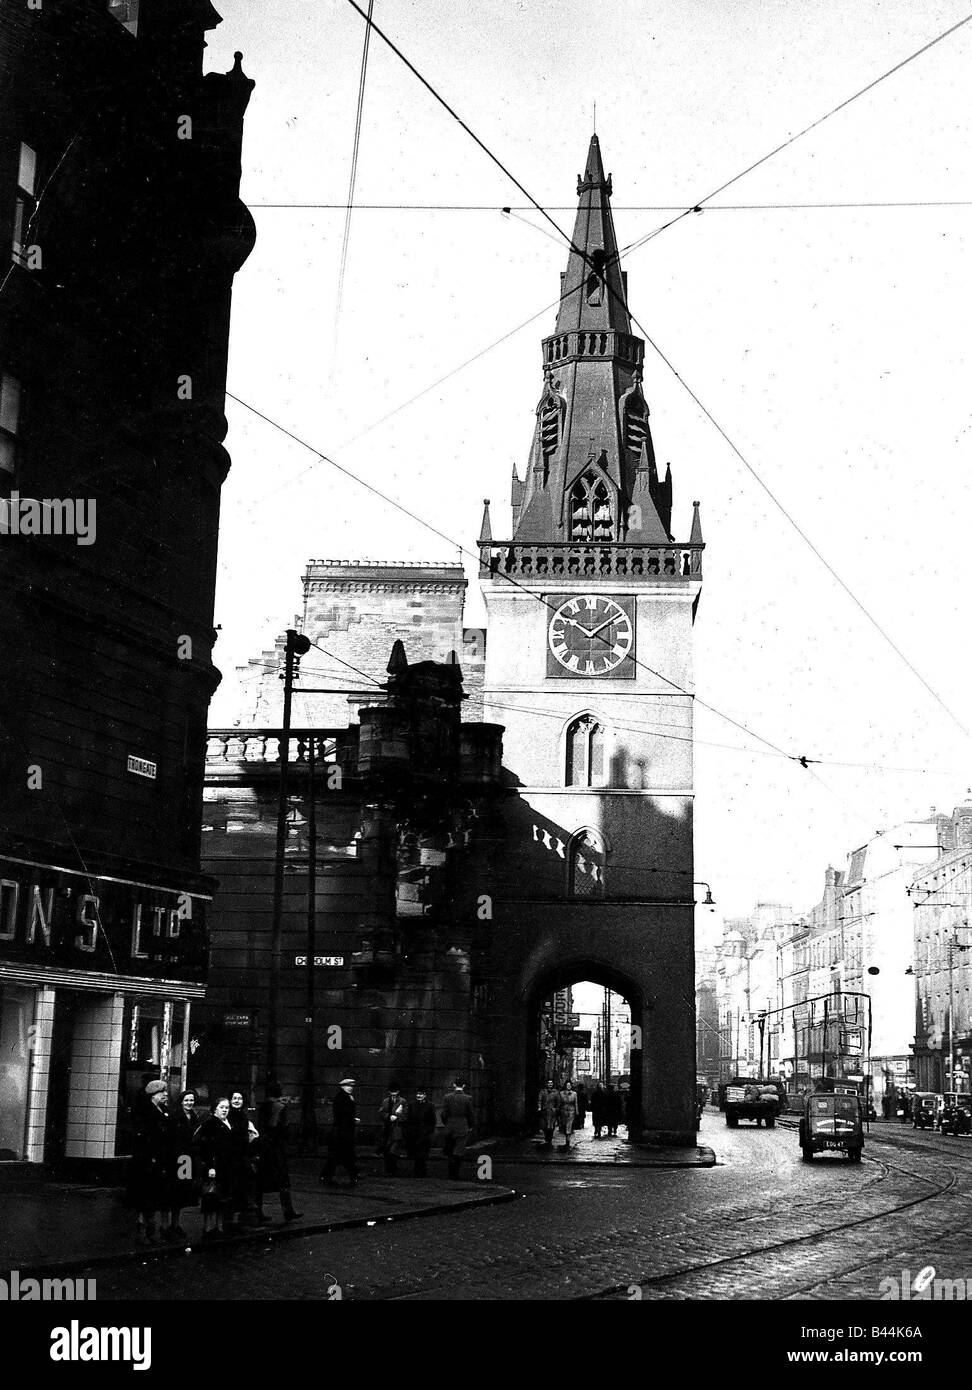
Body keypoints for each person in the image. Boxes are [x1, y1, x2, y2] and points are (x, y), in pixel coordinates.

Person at [127, 1079, 170, 1244]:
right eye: (162, 1092)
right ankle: (142, 1230)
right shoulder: (144, 1112)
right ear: (153, 1095)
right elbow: (144, 1137)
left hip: (159, 1161)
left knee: (154, 1196)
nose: (165, 1095)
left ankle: (151, 1230)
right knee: (143, 1196)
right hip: (145, 1162)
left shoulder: (164, 1110)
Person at [255, 1082, 301, 1223]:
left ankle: (258, 1212)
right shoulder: (280, 1107)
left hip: (264, 1148)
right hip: (276, 1149)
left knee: (260, 1182)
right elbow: (282, 1128)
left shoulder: (263, 1106)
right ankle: (288, 1211)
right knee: (283, 1181)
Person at [162, 1089, 200, 1241]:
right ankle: (165, 1226)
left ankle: (175, 1224)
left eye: (191, 1100)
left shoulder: (194, 1117)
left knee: (182, 1193)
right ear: (181, 1102)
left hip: (187, 1160)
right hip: (176, 1159)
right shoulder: (175, 1117)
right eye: (186, 1100)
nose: (189, 1103)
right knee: (172, 1192)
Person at [196, 1097, 236, 1239]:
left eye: (226, 1107)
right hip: (214, 1166)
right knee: (211, 1197)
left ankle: (218, 1227)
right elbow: (206, 1147)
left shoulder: (227, 1123)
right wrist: (210, 1166)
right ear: (215, 1109)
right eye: (221, 1107)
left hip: (226, 1166)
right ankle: (208, 1228)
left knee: (222, 1198)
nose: (225, 1110)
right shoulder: (210, 1124)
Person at [226, 1089, 257, 1227]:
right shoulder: (229, 1114)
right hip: (232, 1156)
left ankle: (237, 1219)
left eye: (240, 1098)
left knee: (241, 1186)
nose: (237, 1101)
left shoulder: (244, 1116)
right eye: (234, 1098)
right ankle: (231, 1220)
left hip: (242, 1155)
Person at [321, 1078, 359, 1187]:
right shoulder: (343, 1098)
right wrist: (352, 1120)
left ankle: (327, 1176)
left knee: (339, 1157)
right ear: (342, 1086)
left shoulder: (345, 1097)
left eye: (351, 1086)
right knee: (343, 1156)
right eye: (348, 1086)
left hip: (343, 1131)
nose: (350, 1088)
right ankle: (353, 1176)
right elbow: (343, 1114)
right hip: (342, 1132)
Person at [440, 1077, 475, 1179]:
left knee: (450, 1149)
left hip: (450, 1125)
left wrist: (447, 1123)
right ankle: (456, 1174)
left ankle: (450, 1173)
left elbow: (444, 1114)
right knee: (458, 1150)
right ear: (464, 1086)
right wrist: (471, 1126)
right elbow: (470, 1114)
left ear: (454, 1085)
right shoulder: (468, 1098)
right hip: (462, 1125)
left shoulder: (447, 1097)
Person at [404, 1087, 437, 1177]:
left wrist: (429, 1131)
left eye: (421, 1094)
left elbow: (432, 1121)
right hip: (414, 1133)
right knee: (416, 1153)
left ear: (425, 1095)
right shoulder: (411, 1105)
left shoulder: (430, 1106)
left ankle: (421, 1171)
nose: (418, 1095)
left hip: (425, 1133)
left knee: (422, 1154)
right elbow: (408, 1119)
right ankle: (417, 1171)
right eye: (417, 1093)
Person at [378, 1084, 407, 1176]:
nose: (394, 1094)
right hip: (387, 1129)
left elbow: (406, 1115)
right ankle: (389, 1170)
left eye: (395, 1092)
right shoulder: (385, 1101)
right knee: (387, 1150)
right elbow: (382, 1113)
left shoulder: (402, 1101)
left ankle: (393, 1169)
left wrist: (398, 1117)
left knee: (394, 1150)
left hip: (397, 1128)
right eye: (392, 1092)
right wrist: (388, 1117)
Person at [538, 1080, 560, 1148]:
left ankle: (549, 1138)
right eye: (549, 1083)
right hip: (545, 1111)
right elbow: (540, 1100)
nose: (550, 1084)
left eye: (551, 1083)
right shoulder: (543, 1092)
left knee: (551, 1125)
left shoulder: (555, 1092)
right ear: (546, 1084)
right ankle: (546, 1136)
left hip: (552, 1111)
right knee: (545, 1125)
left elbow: (558, 1101)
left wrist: (556, 1108)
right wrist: (539, 1107)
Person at [558, 1080, 578, 1151]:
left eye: (570, 1085)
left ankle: (568, 1141)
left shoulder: (574, 1094)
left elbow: (576, 1103)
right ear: (565, 1086)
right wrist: (559, 1111)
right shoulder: (561, 1093)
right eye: (567, 1085)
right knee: (564, 1125)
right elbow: (559, 1103)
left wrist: (577, 1112)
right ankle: (566, 1139)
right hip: (563, 1111)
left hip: (571, 1111)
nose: (569, 1086)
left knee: (569, 1126)